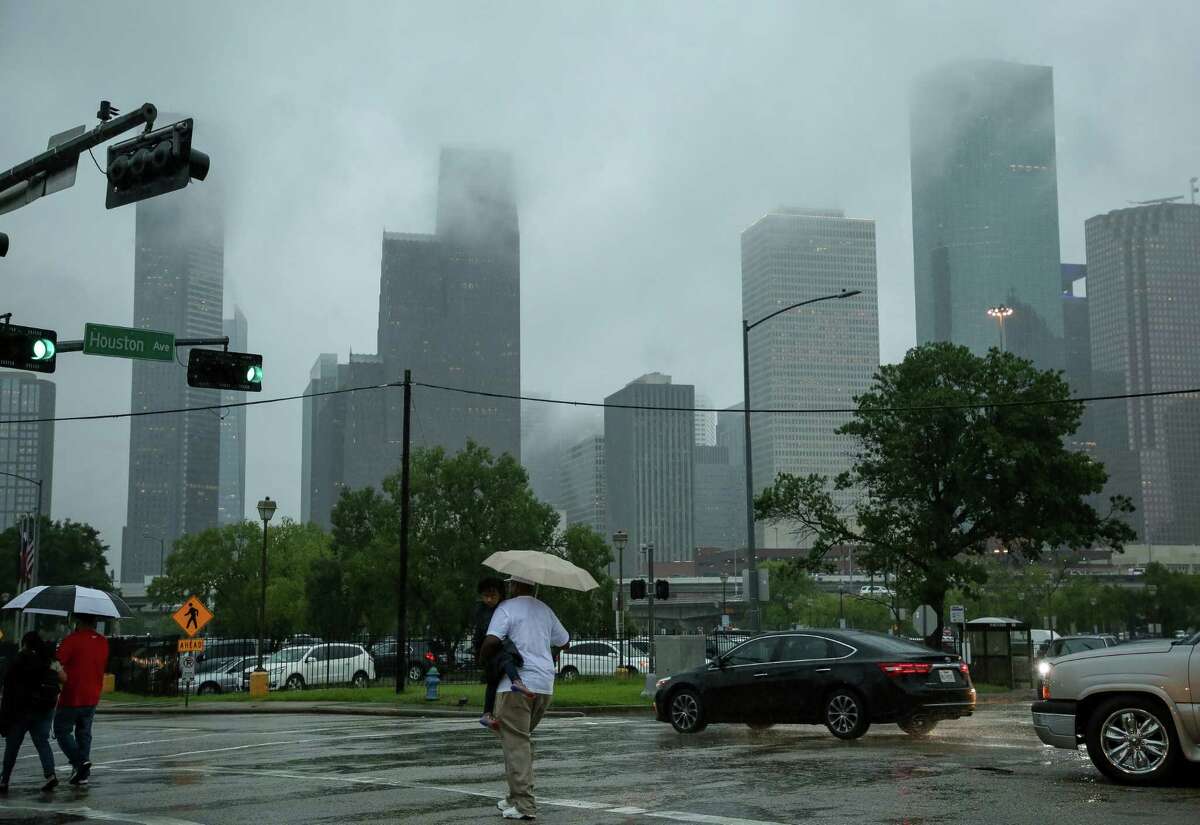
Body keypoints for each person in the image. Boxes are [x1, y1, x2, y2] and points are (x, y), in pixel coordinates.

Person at [480, 575, 569, 821]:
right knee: (517, 741)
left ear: (515, 586)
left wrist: (483, 658)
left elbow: (491, 641)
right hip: (544, 687)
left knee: (516, 743)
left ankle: (525, 805)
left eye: (510, 584)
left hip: (515, 686)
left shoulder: (506, 608)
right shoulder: (545, 610)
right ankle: (513, 797)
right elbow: (565, 641)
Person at [0, 631, 65, 792]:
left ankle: (4, 780)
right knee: (42, 743)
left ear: (25, 644)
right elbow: (64, 678)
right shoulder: (50, 659)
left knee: (12, 746)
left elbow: (8, 689)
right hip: (45, 708)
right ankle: (50, 775)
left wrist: (4, 715)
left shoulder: (19, 660)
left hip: (21, 710)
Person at [54, 613, 109, 786]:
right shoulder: (103, 642)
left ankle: (79, 762)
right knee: (84, 733)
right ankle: (82, 775)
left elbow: (57, 663)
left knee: (62, 730)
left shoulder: (71, 640)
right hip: (93, 694)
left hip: (72, 693)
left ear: (78, 621)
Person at [473, 577, 534, 730]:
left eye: (492, 595)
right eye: (485, 596)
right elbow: (489, 636)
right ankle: (517, 681)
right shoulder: (487, 611)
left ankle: (487, 714)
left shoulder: (501, 607)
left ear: (500, 594)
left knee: (492, 682)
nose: (488, 599)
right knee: (507, 659)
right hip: (490, 648)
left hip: (490, 650)